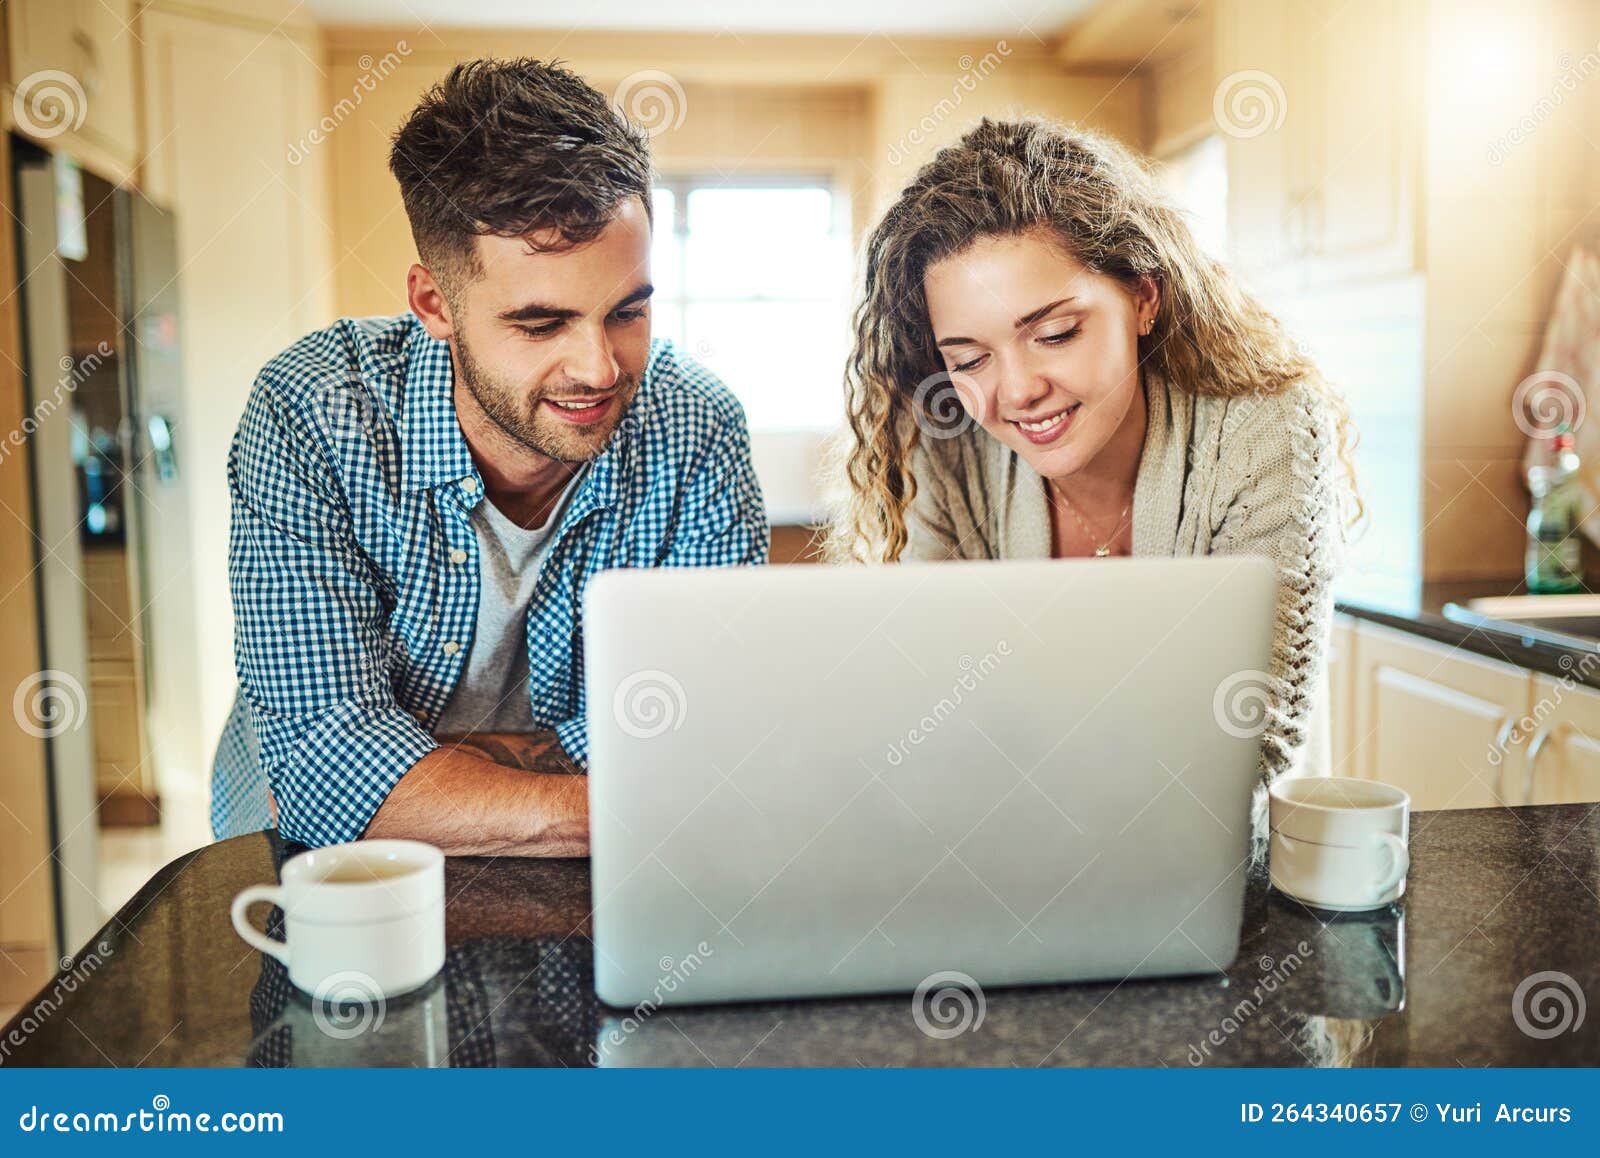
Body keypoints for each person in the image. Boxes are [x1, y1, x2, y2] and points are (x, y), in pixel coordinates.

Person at [211, 59, 767, 854]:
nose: (599, 369)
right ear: (434, 304)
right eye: (541, 324)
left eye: (627, 312)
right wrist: (613, 798)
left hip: (576, 865)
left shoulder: (697, 425)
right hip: (321, 867)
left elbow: (703, 733)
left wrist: (416, 772)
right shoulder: (313, 413)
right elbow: (321, 780)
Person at [828, 117, 1353, 790]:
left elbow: (1251, 737)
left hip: (1219, 841)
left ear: (1143, 297)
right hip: (1002, 836)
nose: (1018, 390)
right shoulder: (942, 449)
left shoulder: (1265, 427)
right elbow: (932, 712)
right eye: (970, 359)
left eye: (1055, 333)